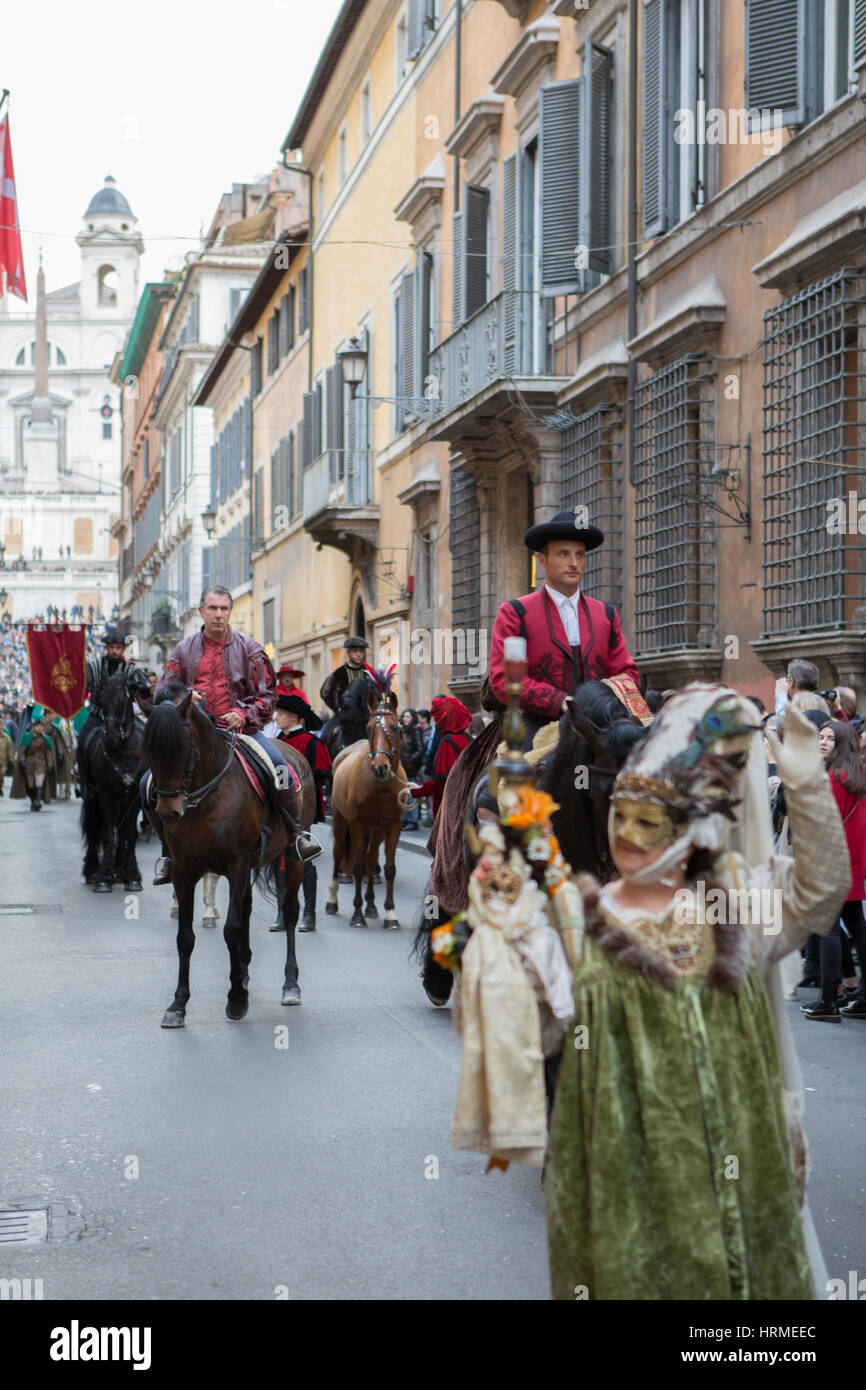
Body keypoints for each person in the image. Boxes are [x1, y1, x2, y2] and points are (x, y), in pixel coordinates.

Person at [545, 689, 850, 1299]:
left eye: (649, 820)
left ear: (690, 832)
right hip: (635, 1189)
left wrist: (806, 783)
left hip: (747, 1170)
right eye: (619, 813)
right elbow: (537, 1030)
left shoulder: (735, 903)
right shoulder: (579, 918)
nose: (627, 835)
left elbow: (822, 891)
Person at [147, 586, 320, 885]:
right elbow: (163, 693)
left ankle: (296, 836)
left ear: (230, 612)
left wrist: (243, 714)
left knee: (281, 769)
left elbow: (267, 698)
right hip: (193, 736)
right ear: (201, 611)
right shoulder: (182, 651)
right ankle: (168, 852)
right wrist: (185, 700)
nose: (218, 615)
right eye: (213, 608)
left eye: (224, 609)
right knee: (146, 783)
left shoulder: (252, 650)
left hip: (241, 733)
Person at [488, 510, 645, 742]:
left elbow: (627, 674)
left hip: (601, 727)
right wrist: (559, 702)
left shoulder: (606, 614)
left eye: (579, 555)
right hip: (537, 727)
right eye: (563, 554)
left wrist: (600, 702)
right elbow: (504, 679)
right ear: (542, 560)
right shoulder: (515, 613)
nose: (573, 563)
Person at [801, 719, 866, 1021]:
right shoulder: (856, 775)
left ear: (842, 743)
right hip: (852, 861)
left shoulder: (834, 778)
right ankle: (862, 996)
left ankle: (829, 999)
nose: (822, 742)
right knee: (857, 928)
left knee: (827, 928)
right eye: (821, 737)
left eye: (829, 738)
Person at [270, 693, 333, 932]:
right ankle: (282, 911)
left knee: (301, 856)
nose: (276, 718)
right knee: (277, 858)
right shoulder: (275, 740)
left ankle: (309, 914)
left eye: (280, 714)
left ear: (292, 716)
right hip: (276, 809)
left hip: (301, 810)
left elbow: (318, 778)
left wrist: (299, 802)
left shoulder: (311, 742)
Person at [76, 627, 150, 799]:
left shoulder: (131, 670)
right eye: (111, 647)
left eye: (118, 647)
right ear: (106, 648)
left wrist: (143, 686)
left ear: (123, 649)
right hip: (98, 716)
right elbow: (82, 689)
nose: (114, 651)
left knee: (147, 739)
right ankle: (85, 782)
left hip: (124, 718)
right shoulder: (93, 667)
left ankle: (149, 784)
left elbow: (143, 693)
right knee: (82, 742)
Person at [409, 696, 473, 821]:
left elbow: (443, 784)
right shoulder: (467, 738)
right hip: (466, 804)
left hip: (449, 808)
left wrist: (418, 790)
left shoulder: (447, 742)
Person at [319, 636, 372, 715]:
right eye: (355, 651)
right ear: (348, 652)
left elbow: (378, 694)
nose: (358, 654)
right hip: (343, 716)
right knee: (329, 728)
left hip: (366, 716)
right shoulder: (339, 673)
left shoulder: (370, 672)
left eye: (361, 651)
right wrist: (338, 709)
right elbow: (325, 694)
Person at [398, 709, 424, 828]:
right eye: (404, 716)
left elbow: (420, 749)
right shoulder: (401, 730)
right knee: (403, 792)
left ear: (413, 718)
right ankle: (405, 819)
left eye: (408, 717)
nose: (405, 719)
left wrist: (409, 759)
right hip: (402, 765)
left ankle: (413, 821)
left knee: (412, 792)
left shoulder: (416, 731)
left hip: (411, 766)